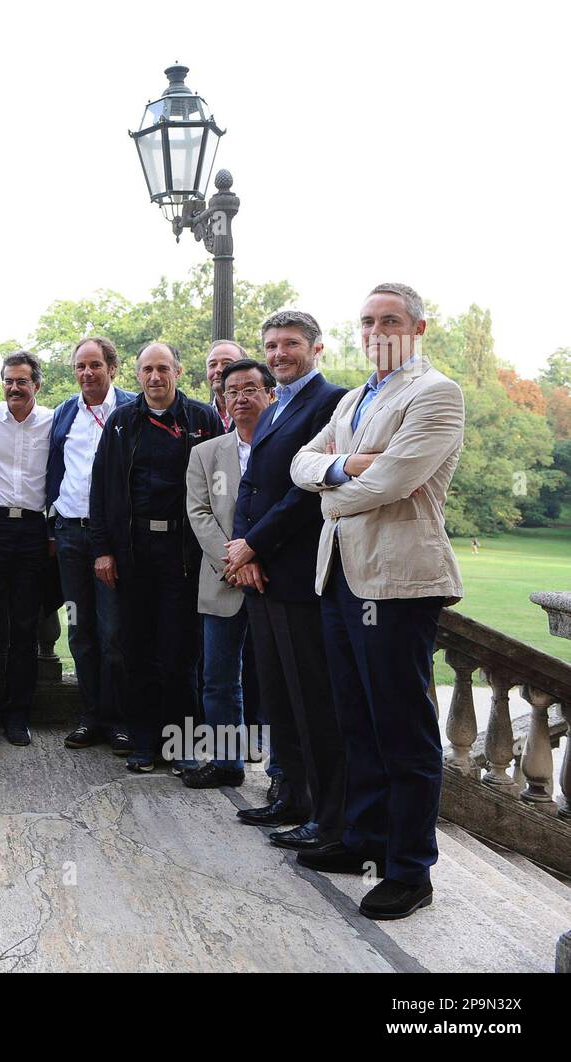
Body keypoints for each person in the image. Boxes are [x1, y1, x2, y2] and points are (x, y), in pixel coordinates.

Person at [290, 282, 464, 921]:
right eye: (366, 321)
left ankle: (409, 868)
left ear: (418, 328)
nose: (375, 330)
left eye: (389, 319)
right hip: (338, 576)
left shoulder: (436, 393)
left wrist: (332, 487)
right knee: (355, 719)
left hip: (397, 584)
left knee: (402, 729)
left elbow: (397, 478)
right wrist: (341, 469)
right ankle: (363, 842)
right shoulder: (356, 397)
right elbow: (300, 464)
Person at [225, 311, 347, 853]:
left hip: (299, 575)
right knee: (276, 692)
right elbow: (250, 485)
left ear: (316, 348)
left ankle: (327, 814)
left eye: (290, 344)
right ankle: (289, 795)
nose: (278, 354)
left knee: (311, 700)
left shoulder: (332, 402)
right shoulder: (278, 406)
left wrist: (255, 544)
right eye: (271, 345)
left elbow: (305, 494)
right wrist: (241, 551)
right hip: (261, 577)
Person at [90, 342, 221, 773]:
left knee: (180, 653)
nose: (155, 377)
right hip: (132, 553)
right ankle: (145, 743)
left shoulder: (202, 419)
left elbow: (221, 487)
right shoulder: (122, 423)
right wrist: (103, 549)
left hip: (184, 555)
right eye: (147, 369)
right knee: (136, 650)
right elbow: (102, 489)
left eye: (163, 368)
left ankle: (181, 744)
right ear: (137, 374)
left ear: (178, 372)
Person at [183, 359, 275, 788]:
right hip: (222, 581)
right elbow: (199, 513)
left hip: (275, 581)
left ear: (270, 394)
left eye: (250, 389)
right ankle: (225, 763)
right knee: (219, 680)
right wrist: (234, 562)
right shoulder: (205, 453)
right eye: (232, 391)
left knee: (278, 679)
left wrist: (257, 555)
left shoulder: (290, 448)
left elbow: (294, 512)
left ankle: (283, 773)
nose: (240, 398)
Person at [46, 336, 136, 753]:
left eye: (95, 365)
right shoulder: (65, 412)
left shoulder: (132, 409)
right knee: (80, 631)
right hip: (69, 536)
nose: (87, 373)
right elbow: (54, 469)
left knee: (113, 632)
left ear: (112, 369)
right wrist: (52, 525)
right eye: (80, 366)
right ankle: (90, 716)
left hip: (112, 541)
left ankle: (120, 719)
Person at [0, 351, 54, 750]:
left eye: (22, 381)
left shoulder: (54, 421)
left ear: (36, 384)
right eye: (8, 381)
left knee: (25, 629)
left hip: (34, 530)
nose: (14, 388)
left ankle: (18, 715)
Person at [205, 339, 246, 432]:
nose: (218, 370)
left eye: (226, 363)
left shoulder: (260, 412)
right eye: (212, 365)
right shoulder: (199, 415)